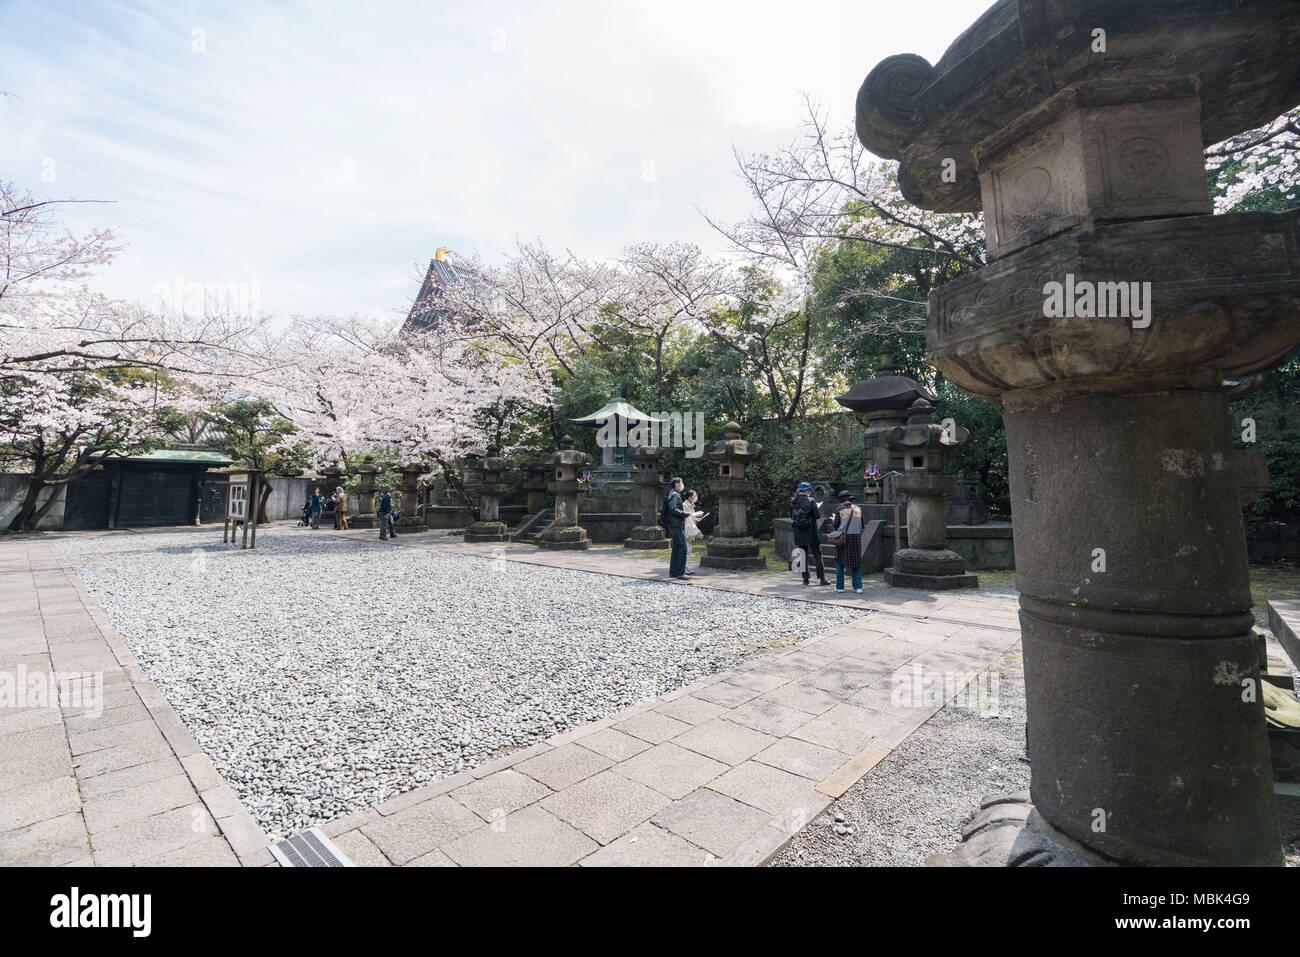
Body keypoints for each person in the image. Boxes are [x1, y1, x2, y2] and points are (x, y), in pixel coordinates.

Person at [790, 481, 829, 586]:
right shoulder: (811, 501)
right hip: (811, 532)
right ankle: (821, 579)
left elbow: (792, 516)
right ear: (807, 491)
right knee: (817, 555)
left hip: (799, 532)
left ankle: (805, 579)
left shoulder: (793, 502)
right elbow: (817, 516)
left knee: (803, 555)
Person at [831, 490, 864, 593]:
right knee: (856, 563)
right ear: (850, 499)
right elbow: (862, 524)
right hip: (856, 538)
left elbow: (835, 525)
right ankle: (858, 587)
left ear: (842, 500)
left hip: (843, 538)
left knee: (839, 562)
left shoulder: (840, 509)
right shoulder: (858, 509)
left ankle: (840, 587)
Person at [662, 477, 690, 579]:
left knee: (676, 548)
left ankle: (673, 572)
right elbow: (673, 509)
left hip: (673, 524)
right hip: (675, 525)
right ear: (677, 484)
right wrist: (685, 513)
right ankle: (680, 573)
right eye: (681, 482)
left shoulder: (672, 493)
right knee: (683, 548)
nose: (682, 485)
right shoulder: (674, 495)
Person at [682, 490, 707, 576]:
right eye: (694, 495)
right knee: (686, 549)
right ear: (689, 497)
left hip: (690, 528)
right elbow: (686, 518)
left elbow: (690, 517)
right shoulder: (684, 505)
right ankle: (684, 568)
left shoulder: (691, 505)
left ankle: (686, 567)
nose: (696, 497)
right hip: (686, 530)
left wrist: (696, 519)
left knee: (688, 549)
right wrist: (695, 516)